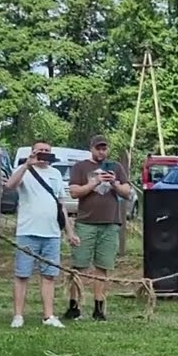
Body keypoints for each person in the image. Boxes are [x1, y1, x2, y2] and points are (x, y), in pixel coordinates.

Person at [3, 142, 81, 329]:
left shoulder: (55, 173)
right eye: (40, 151)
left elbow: (60, 204)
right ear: (32, 152)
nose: (44, 154)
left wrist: (69, 231)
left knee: (49, 275)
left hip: (51, 233)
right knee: (22, 274)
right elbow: (10, 186)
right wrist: (27, 165)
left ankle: (48, 315)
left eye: (47, 151)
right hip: (27, 231)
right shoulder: (24, 170)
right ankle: (18, 315)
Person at [64, 135, 133, 321]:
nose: (101, 152)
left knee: (103, 266)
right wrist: (94, 182)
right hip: (86, 223)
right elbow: (74, 191)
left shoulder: (116, 167)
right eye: (98, 148)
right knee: (79, 266)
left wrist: (113, 183)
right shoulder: (80, 167)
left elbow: (127, 193)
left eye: (104, 149)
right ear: (91, 149)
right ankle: (74, 306)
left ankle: (99, 308)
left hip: (110, 224)